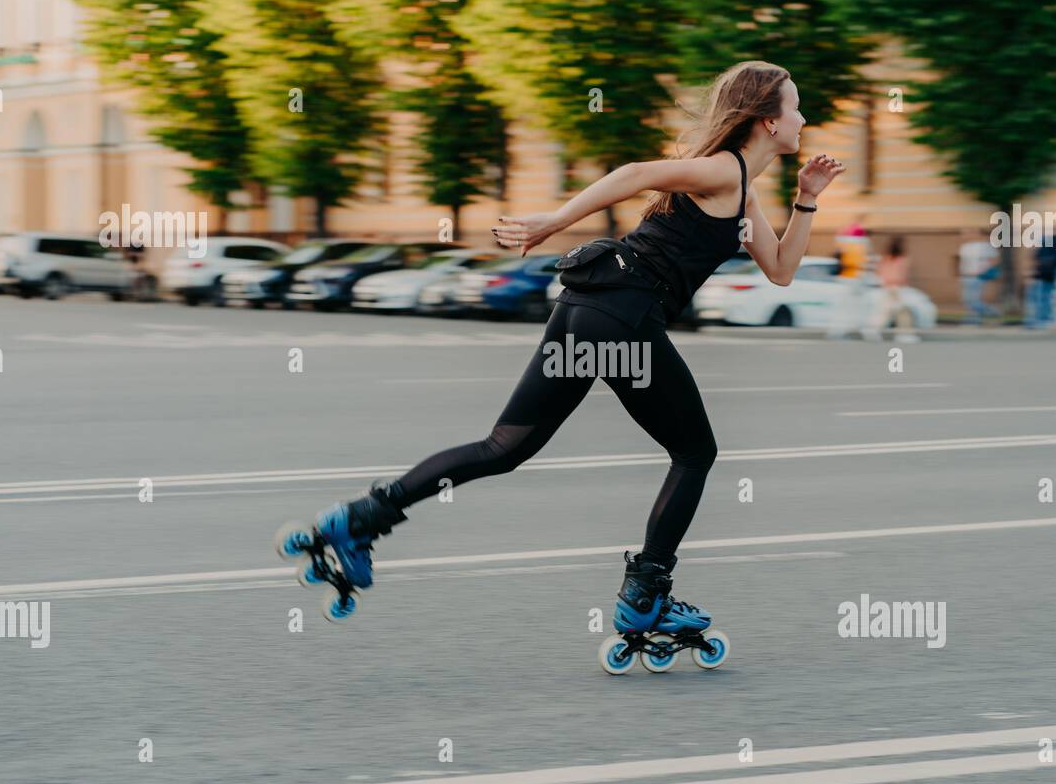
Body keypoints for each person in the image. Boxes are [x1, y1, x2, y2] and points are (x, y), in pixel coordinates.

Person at [284, 61, 847, 657]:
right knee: (695, 452)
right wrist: (554, 222)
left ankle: (359, 521)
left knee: (503, 449)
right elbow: (633, 174)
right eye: (795, 106)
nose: (803, 117)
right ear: (766, 120)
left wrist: (806, 200)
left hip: (585, 309)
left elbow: (782, 270)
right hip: (624, 317)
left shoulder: (741, 190)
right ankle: (647, 592)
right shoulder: (722, 171)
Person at [864, 238, 919, 343]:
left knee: (886, 311)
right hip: (896, 288)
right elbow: (903, 275)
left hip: (887, 287)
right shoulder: (902, 259)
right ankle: (904, 334)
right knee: (903, 311)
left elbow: (879, 272)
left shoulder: (885, 259)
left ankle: (872, 328)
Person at [956, 228, 997, 324]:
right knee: (966, 300)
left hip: (977, 277)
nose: (964, 236)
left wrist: (982, 271)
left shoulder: (985, 246)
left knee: (974, 299)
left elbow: (993, 260)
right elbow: (963, 263)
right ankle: (989, 311)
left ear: (976, 234)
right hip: (965, 276)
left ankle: (974, 318)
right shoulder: (964, 247)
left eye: (967, 233)